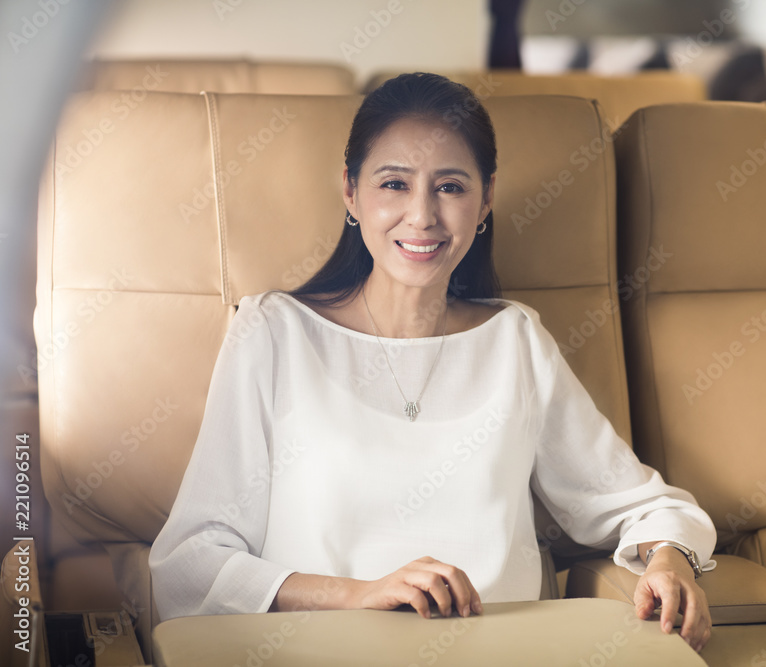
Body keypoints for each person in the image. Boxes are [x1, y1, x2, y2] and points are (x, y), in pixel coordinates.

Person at [148, 72, 717, 652]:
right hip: (323, 652)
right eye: (394, 183)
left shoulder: (515, 341)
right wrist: (358, 594)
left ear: (486, 197)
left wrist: (670, 560)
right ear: (350, 191)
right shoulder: (274, 332)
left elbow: (647, 506)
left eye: (449, 187)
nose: (421, 216)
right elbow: (190, 562)